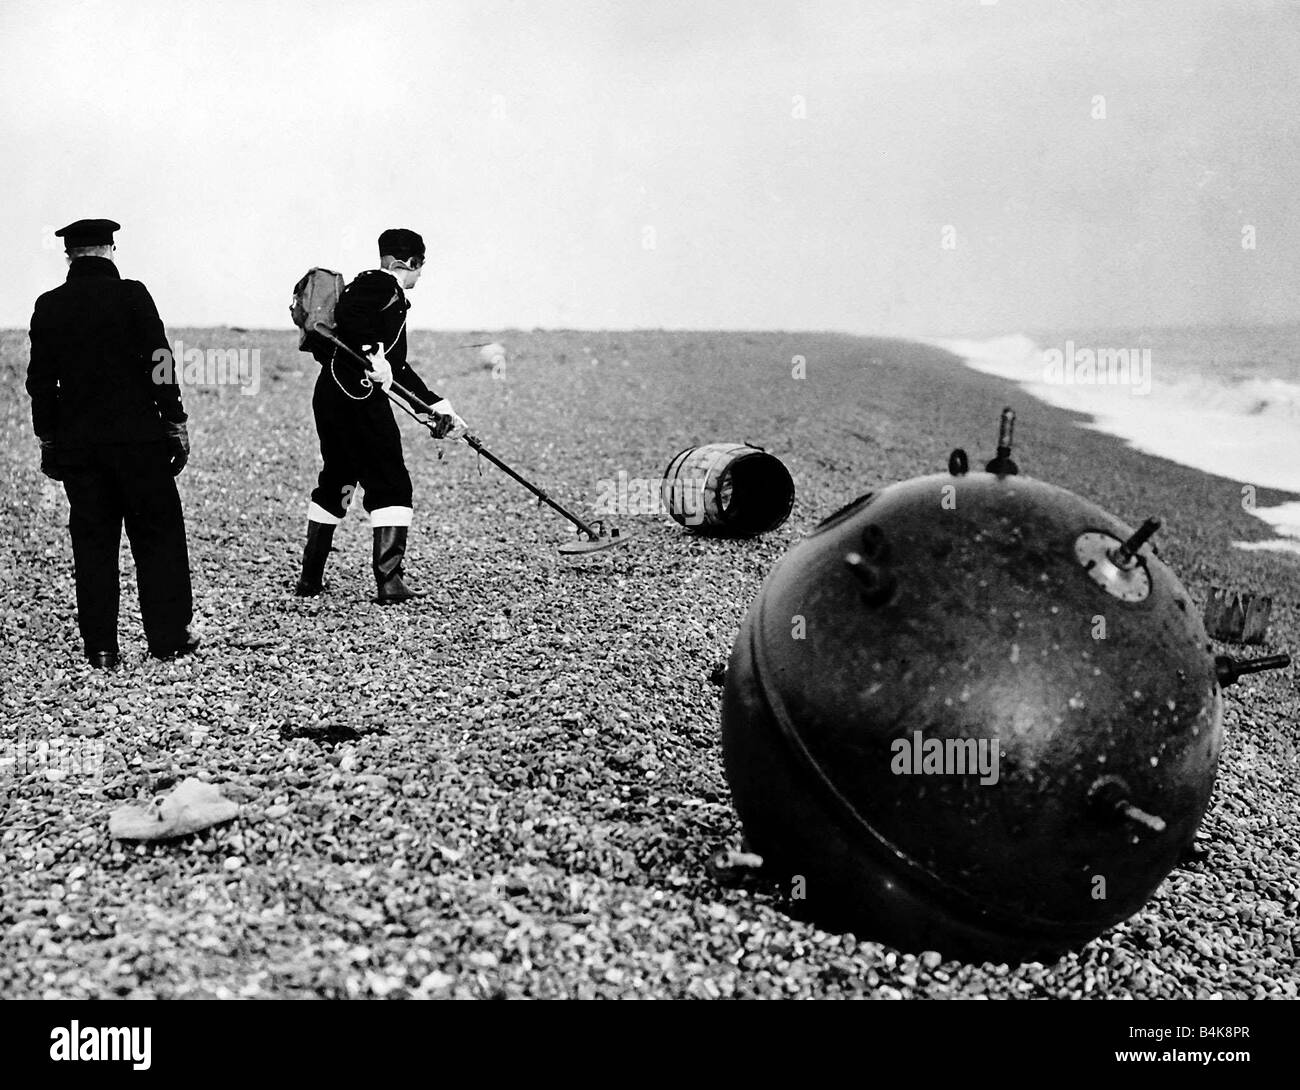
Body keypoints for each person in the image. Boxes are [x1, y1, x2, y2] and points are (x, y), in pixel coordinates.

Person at [27, 219, 198, 668]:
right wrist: (174, 418)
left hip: (80, 445)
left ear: (70, 256)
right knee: (158, 538)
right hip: (141, 441)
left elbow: (40, 381)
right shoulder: (133, 295)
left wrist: (48, 437)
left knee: (93, 543)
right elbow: (160, 360)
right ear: (110, 249)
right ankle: (167, 639)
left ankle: (101, 647)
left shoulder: (49, 306)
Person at [296, 227, 466, 603]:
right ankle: (390, 583)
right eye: (421, 267)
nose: (421, 275)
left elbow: (398, 368)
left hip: (331, 393)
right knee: (391, 484)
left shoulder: (373, 288)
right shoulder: (382, 286)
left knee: (338, 478)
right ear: (409, 263)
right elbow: (353, 318)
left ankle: (310, 579)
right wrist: (374, 353)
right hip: (357, 397)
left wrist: (435, 405)